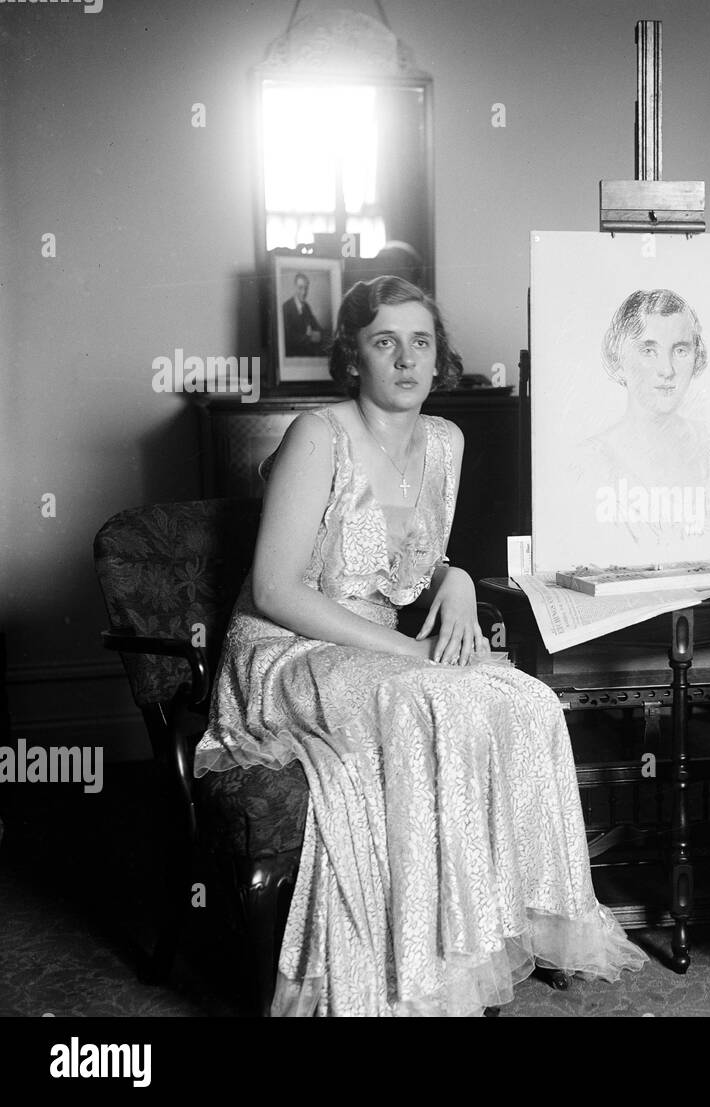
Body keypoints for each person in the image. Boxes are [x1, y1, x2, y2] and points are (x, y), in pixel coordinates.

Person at [197, 276, 646, 1016]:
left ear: (440, 357)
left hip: (370, 645)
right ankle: (413, 962)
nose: (406, 359)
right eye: (384, 342)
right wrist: (407, 653)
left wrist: (458, 575)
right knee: (424, 694)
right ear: (353, 358)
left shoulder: (445, 442)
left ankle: (483, 937)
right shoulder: (319, 433)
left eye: (422, 342)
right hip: (283, 648)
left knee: (527, 699)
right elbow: (276, 588)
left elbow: (406, 554)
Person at [576, 289, 710, 552]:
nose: (667, 370)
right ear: (619, 357)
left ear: (697, 356)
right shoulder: (589, 462)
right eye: (649, 350)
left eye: (681, 350)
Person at [282, 271, 324, 357]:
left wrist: (317, 334)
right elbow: (289, 338)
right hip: (293, 357)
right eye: (300, 288)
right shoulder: (285, 308)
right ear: (294, 288)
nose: (304, 292)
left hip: (307, 353)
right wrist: (310, 337)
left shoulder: (307, 307)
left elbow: (317, 327)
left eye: (306, 288)